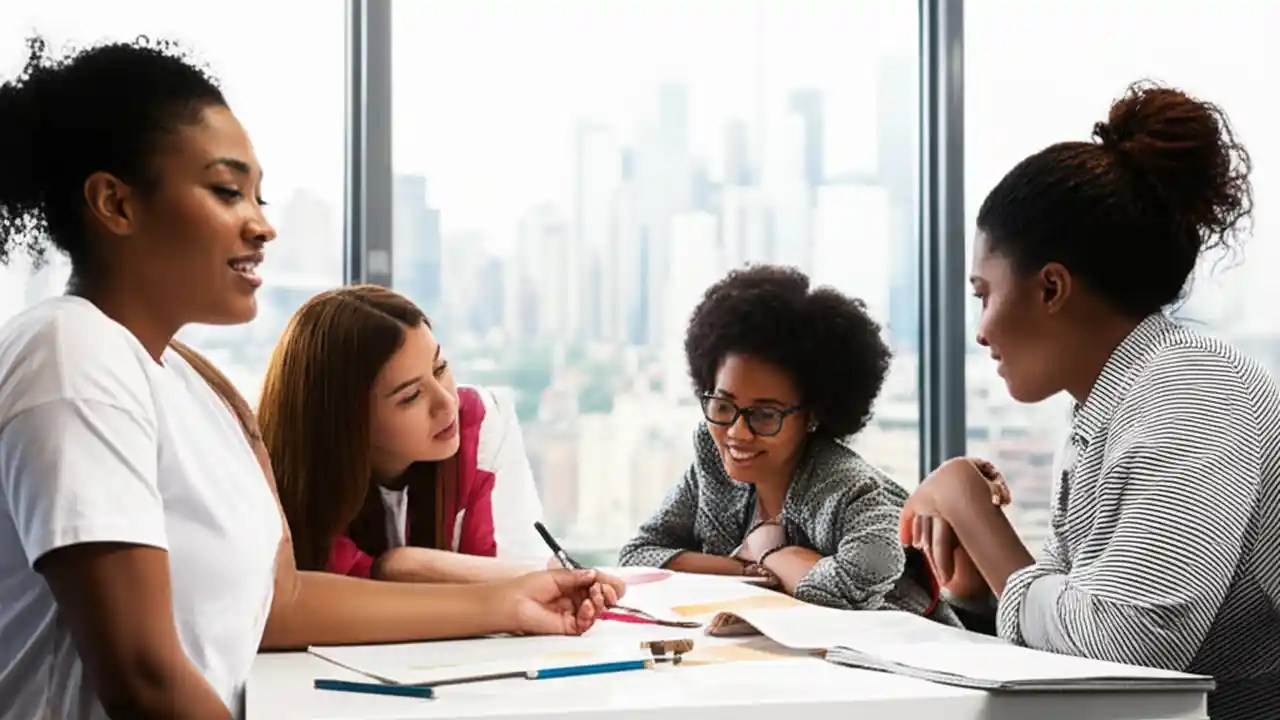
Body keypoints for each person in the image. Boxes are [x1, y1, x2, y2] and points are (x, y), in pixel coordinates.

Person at [0, 38, 615, 720]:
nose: (262, 226)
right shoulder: (71, 352)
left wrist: (506, 601)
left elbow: (279, 603)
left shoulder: (194, 387)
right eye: (228, 191)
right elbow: (143, 678)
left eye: (258, 196)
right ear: (115, 204)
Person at [901, 82, 1280, 719]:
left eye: (983, 293)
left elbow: (1134, 647)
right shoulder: (1111, 402)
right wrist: (980, 593)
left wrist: (975, 513)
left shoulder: (1193, 389)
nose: (981, 330)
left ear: (1051, 287)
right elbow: (1076, 623)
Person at [619, 265, 957, 623]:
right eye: (723, 405)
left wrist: (771, 554)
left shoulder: (850, 487)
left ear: (812, 414)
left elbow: (852, 589)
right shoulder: (713, 459)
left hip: (912, 663)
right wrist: (746, 568)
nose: (737, 432)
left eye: (765, 415)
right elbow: (639, 555)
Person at [258, 285, 617, 590]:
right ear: (346, 422)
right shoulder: (284, 479)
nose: (448, 403)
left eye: (440, 368)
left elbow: (524, 575)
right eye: (411, 396)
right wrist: (399, 568)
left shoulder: (480, 422)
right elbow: (312, 594)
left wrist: (403, 566)